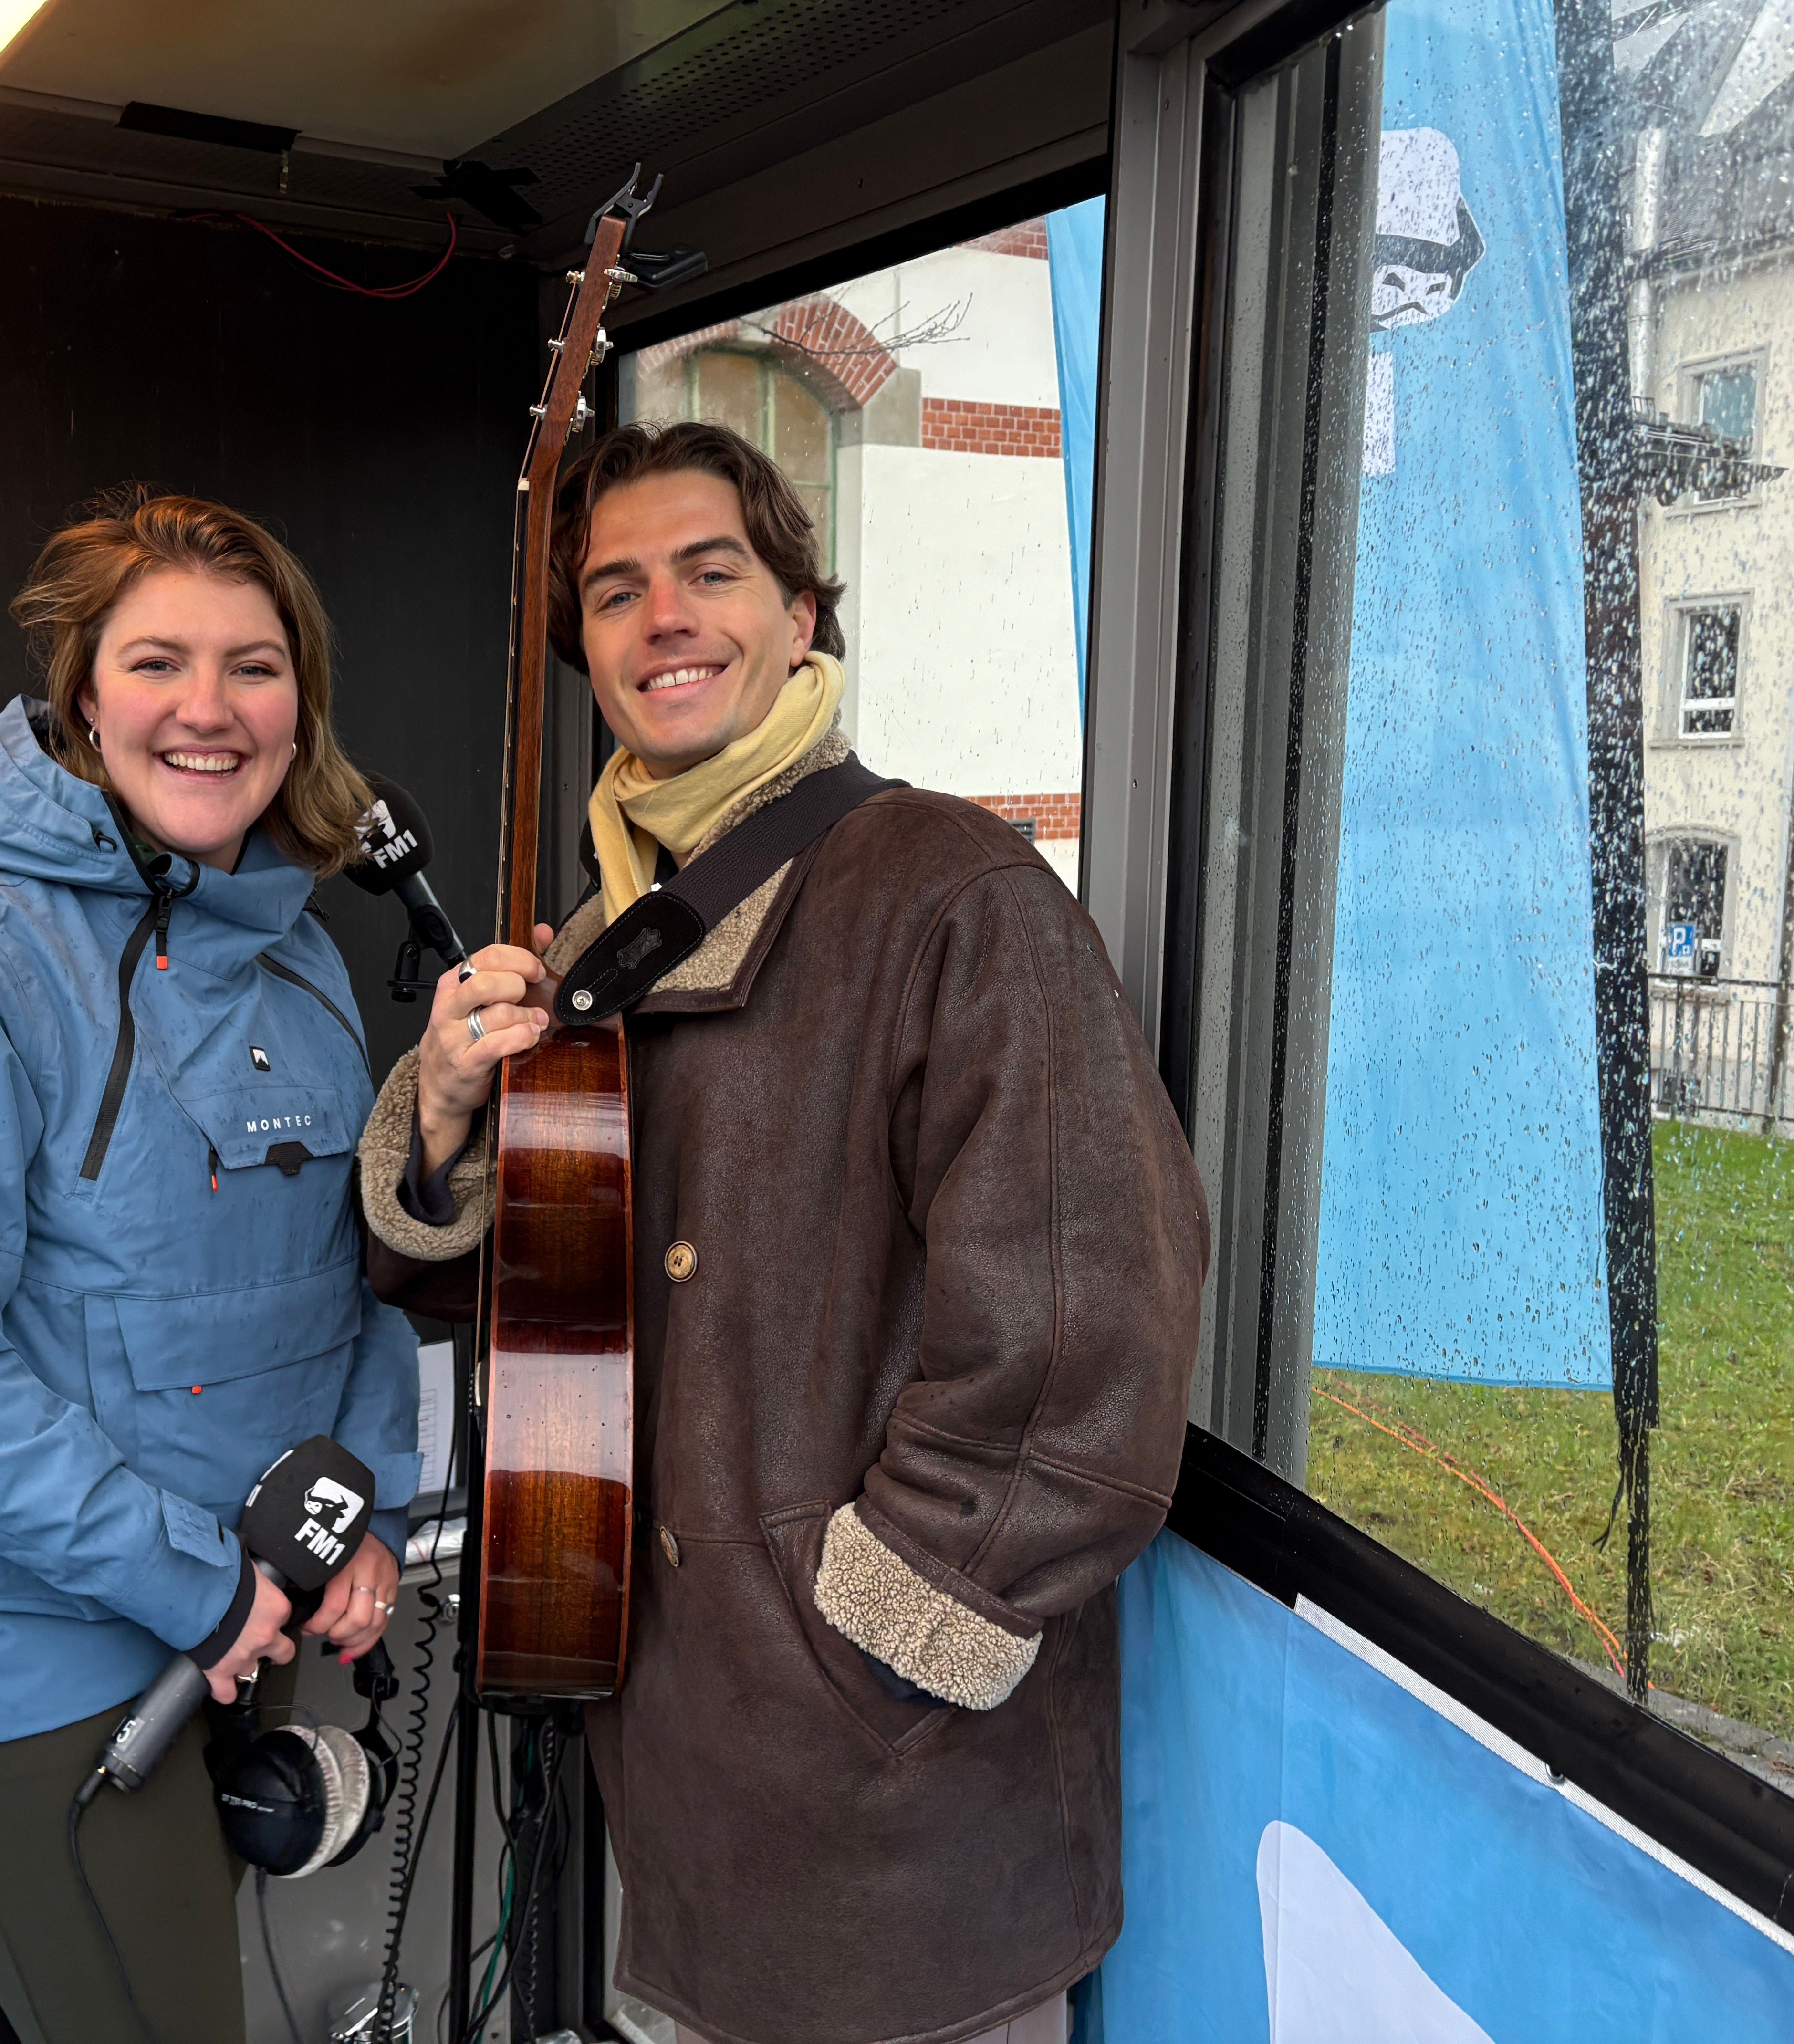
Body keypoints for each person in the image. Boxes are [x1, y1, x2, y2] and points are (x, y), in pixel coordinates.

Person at [359, 423, 1208, 2044]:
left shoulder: (951, 890)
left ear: (801, 613)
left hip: (903, 1836)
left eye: (712, 571)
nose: (664, 617)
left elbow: (1083, 1337)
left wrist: (869, 1646)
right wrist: (454, 1113)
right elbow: (541, 1296)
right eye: (618, 591)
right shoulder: (603, 939)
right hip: (684, 1800)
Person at [0, 491, 421, 2044]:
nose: (209, 708)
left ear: (301, 709)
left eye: (254, 667)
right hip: (21, 1665)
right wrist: (197, 1583)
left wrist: (361, 1512)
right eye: (159, 662)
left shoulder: (300, 959)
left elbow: (343, 1283)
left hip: (228, 1623)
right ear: (82, 698)